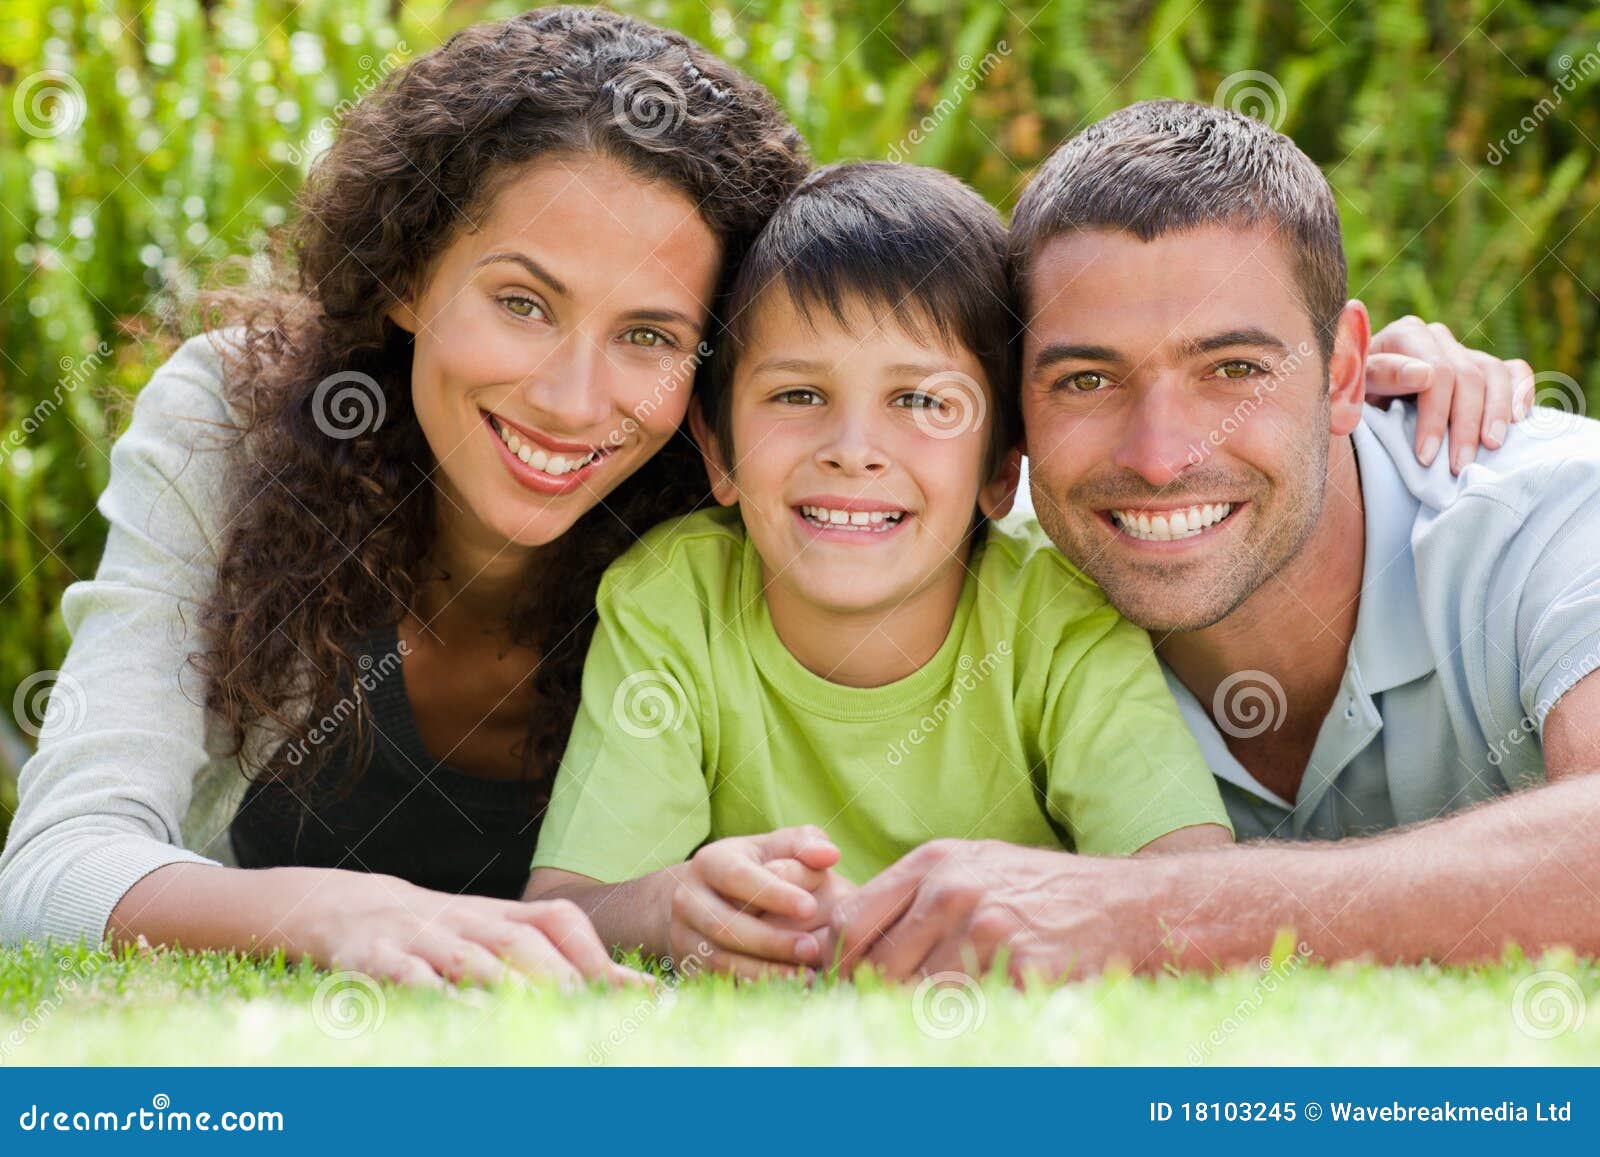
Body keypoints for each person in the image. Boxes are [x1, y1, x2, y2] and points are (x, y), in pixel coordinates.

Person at [0, 6, 809, 986]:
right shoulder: (230, 428)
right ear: (407, 275)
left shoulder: (754, 508)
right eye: (522, 302)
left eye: (649, 335)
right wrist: (339, 909)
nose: (571, 398)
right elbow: (52, 873)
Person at [827, 100, 1598, 983]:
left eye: (1234, 370)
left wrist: (1142, 915)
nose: (1160, 459)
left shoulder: (1553, 514)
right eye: (1086, 379)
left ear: (1343, 372)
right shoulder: (983, 591)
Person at [523, 162, 1233, 978]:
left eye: (924, 402)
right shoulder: (673, 602)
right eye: (797, 395)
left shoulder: (1059, 613)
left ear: (1004, 471)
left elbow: (1188, 879)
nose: (853, 450)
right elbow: (567, 909)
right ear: (718, 452)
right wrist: (672, 907)